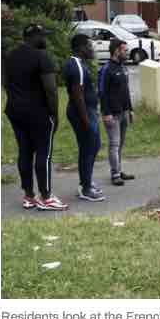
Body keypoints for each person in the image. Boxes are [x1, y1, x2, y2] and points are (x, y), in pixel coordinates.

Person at [3, 24, 67, 211]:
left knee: (24, 151)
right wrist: (54, 114)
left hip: (15, 111)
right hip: (38, 113)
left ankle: (29, 196)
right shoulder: (42, 57)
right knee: (43, 153)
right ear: (34, 37)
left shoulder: (10, 56)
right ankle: (46, 197)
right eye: (42, 36)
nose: (45, 39)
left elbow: (5, 83)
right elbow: (51, 90)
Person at [63, 34, 104, 202]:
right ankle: (85, 189)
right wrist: (86, 120)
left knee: (92, 147)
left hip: (88, 112)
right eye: (89, 46)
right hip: (82, 113)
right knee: (89, 148)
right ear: (81, 48)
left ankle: (85, 182)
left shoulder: (79, 64)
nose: (92, 49)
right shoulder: (77, 66)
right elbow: (77, 95)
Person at [99, 39, 135, 186]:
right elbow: (102, 92)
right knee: (114, 144)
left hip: (123, 112)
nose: (127, 53)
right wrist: (106, 113)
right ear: (116, 51)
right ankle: (115, 174)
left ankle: (119, 171)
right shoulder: (106, 69)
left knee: (120, 144)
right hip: (112, 114)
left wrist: (130, 109)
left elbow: (126, 92)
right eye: (124, 50)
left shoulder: (123, 67)